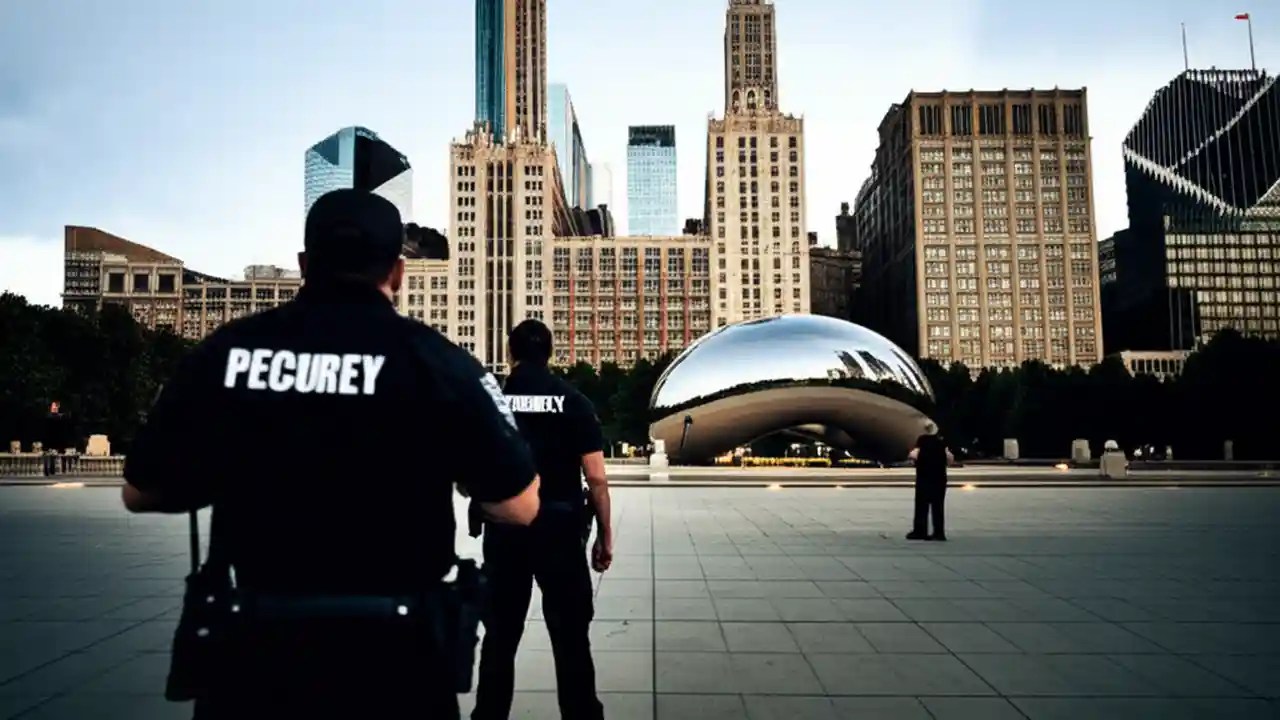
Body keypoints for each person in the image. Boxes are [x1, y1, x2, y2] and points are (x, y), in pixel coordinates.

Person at [120, 188, 542, 720]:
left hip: (257, 658)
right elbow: (520, 505)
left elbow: (140, 490)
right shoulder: (441, 364)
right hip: (399, 662)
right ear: (398, 272)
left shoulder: (227, 354)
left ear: (304, 263)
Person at [471, 319, 612, 720]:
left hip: (505, 534)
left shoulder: (491, 400)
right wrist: (605, 537)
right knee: (571, 640)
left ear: (511, 351)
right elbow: (597, 479)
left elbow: (471, 468)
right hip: (562, 535)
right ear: (550, 352)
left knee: (500, 639)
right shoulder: (574, 402)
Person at [906, 424, 953, 542]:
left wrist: (912, 458)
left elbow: (913, 455)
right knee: (938, 506)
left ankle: (920, 531)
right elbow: (949, 458)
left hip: (924, 477)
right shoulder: (941, 442)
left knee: (921, 505)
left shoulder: (922, 440)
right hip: (939, 478)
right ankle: (939, 532)